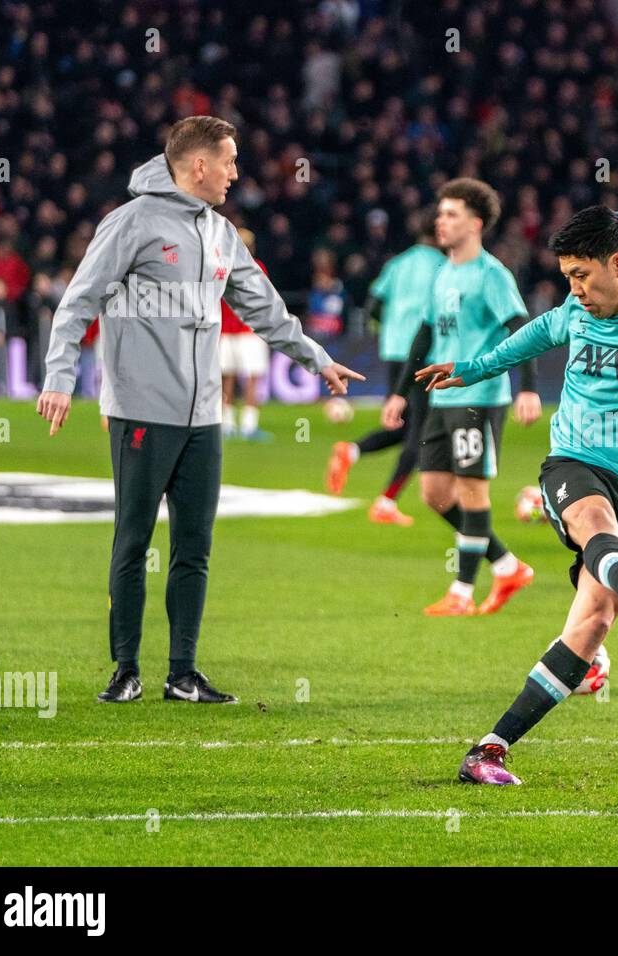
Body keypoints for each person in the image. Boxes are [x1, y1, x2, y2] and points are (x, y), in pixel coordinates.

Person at [35, 115, 364, 704]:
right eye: (231, 162)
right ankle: (125, 668)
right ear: (199, 165)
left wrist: (317, 359)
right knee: (132, 540)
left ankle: (183, 673)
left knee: (195, 547)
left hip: (203, 418)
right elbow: (78, 301)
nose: (237, 174)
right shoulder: (130, 222)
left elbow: (265, 307)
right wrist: (60, 376)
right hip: (141, 411)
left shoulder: (220, 232)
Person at [413, 205, 618, 785]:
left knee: (592, 623)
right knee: (596, 525)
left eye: (580, 275)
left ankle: (488, 750)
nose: (573, 289)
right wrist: (471, 369)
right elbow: (528, 339)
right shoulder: (575, 311)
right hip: (575, 463)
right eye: (568, 277)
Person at [382, 179, 539, 615]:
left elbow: (519, 329)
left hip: (480, 397)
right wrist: (399, 393)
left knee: (472, 491)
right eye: (440, 213)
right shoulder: (442, 272)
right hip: (440, 399)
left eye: (450, 214)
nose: (440, 221)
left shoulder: (491, 275)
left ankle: (462, 593)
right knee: (434, 493)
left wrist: (526, 388)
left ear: (476, 223)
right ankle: (506, 565)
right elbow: (426, 333)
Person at [324, 207, 444, 524]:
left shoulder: (397, 263)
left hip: (393, 352)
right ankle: (386, 503)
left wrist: (391, 329)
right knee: (422, 433)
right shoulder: (445, 267)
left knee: (403, 424)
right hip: (425, 355)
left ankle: (351, 451)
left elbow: (374, 305)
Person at [219, 227, 271, 441]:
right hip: (249, 331)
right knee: (252, 379)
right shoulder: (256, 268)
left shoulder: (219, 267)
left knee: (227, 378)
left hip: (225, 331)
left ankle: (228, 423)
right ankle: (249, 425)